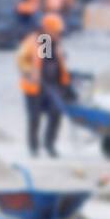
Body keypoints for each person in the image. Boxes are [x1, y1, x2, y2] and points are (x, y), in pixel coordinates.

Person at [16, 13, 72, 157]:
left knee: (56, 113)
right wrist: (30, 72)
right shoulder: (35, 41)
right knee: (34, 117)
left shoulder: (51, 42)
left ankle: (49, 144)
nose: (59, 34)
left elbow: (51, 64)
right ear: (47, 29)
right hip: (34, 87)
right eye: (56, 31)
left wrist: (65, 83)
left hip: (51, 86)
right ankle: (34, 147)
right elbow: (21, 60)